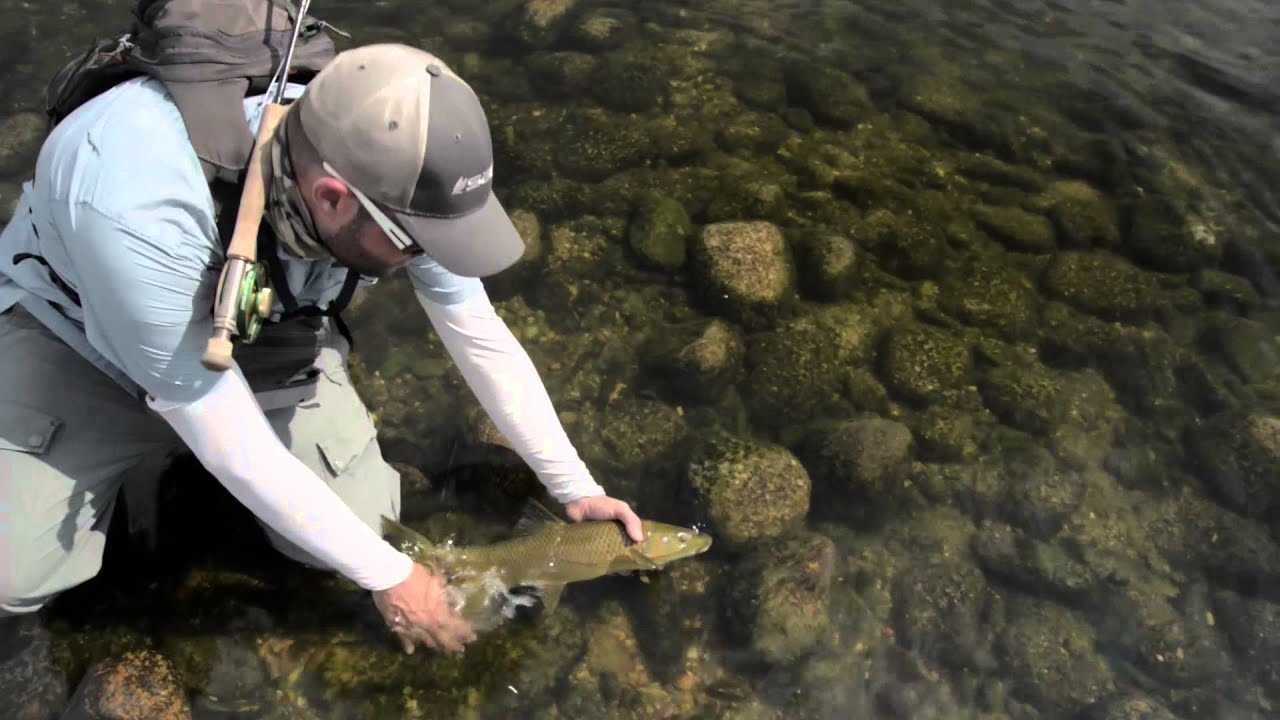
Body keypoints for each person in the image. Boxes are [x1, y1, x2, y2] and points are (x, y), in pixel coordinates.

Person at [0, 41, 644, 657]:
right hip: (79, 340)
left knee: (363, 530)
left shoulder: (398, 167)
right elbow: (231, 441)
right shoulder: (132, 204)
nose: (433, 259)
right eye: (417, 245)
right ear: (333, 200)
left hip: (262, 329)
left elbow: (477, 330)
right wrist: (391, 580)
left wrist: (575, 488)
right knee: (12, 576)